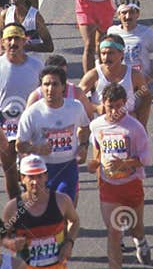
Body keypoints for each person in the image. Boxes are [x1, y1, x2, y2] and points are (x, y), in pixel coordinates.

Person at [88, 83, 151, 269]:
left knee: (136, 227)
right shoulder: (96, 125)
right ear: (103, 104)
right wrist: (95, 164)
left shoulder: (134, 127)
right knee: (114, 232)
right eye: (110, 106)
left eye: (119, 106)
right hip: (109, 187)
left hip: (132, 183)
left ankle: (140, 240)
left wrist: (125, 163)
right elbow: (98, 151)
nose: (115, 111)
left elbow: (146, 159)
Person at [16, 64, 90, 203]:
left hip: (68, 166)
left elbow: (85, 128)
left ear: (63, 87)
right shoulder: (32, 113)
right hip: (42, 169)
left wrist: (84, 145)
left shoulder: (75, 107)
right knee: (45, 209)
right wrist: (36, 149)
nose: (50, 89)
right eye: (46, 84)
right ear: (41, 87)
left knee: (66, 205)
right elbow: (19, 145)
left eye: (55, 84)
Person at [2, 154, 80, 268]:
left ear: (46, 176)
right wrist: (10, 243)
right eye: (31, 177)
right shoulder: (12, 208)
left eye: (39, 176)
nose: (35, 182)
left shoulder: (62, 201)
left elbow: (75, 221)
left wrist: (69, 243)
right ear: (22, 179)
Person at [0, 23, 43, 198]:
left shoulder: (37, 65)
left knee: (31, 172)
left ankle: (35, 213)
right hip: (4, 126)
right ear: (2, 42)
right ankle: (17, 215)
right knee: (10, 172)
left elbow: (45, 95)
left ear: (24, 41)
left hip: (30, 126)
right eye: (9, 38)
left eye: (17, 38)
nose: (13, 42)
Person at [79, 34, 152, 128]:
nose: (106, 57)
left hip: (127, 127)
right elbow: (76, 97)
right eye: (103, 53)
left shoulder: (134, 75)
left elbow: (147, 97)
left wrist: (140, 121)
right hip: (101, 128)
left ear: (121, 53)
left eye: (110, 53)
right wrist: (95, 108)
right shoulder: (93, 75)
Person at [108, 0, 153, 87]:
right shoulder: (112, 32)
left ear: (138, 14)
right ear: (118, 15)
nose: (128, 16)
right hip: (119, 85)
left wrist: (148, 79)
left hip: (141, 86)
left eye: (131, 12)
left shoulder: (148, 33)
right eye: (124, 12)